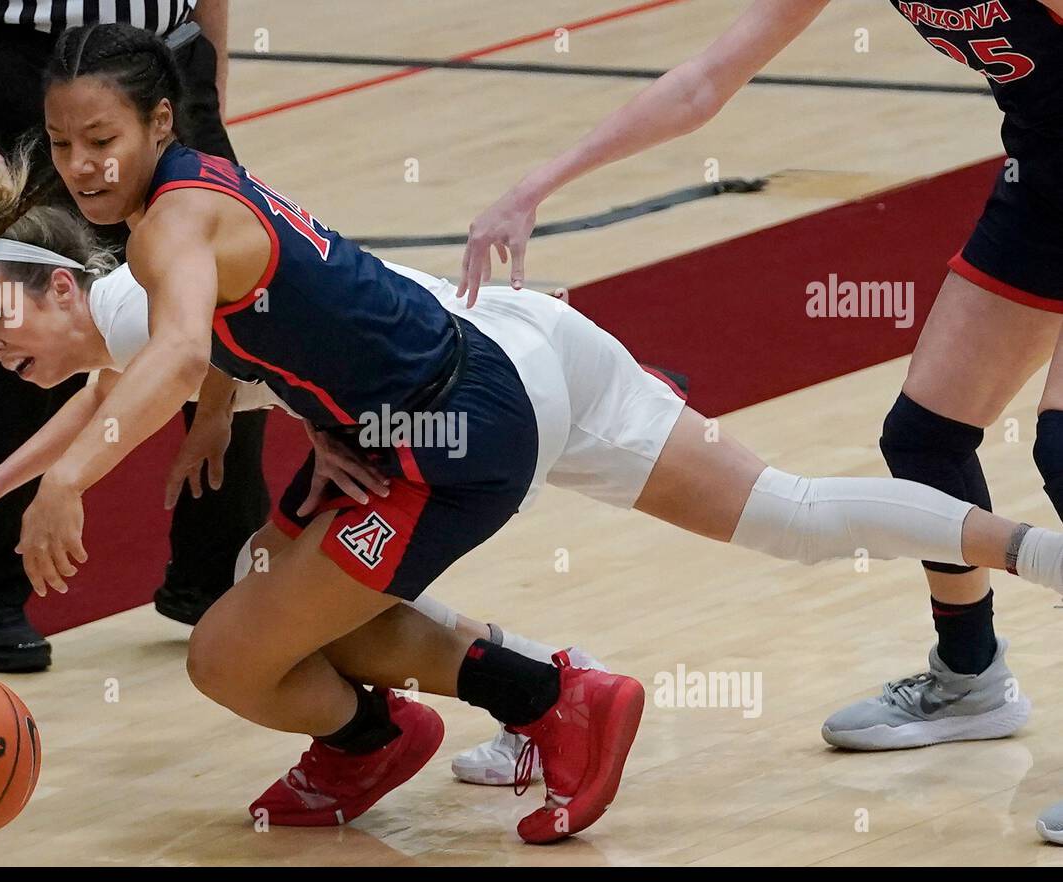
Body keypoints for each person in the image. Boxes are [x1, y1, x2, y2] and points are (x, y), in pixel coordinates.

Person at [0, 22, 1063, 843]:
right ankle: (1036, 548)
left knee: (232, 648)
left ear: (60, 285)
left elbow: (178, 354)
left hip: (458, 419)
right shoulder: (176, 211)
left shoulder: (145, 271)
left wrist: (63, 483)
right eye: (66, 146)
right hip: (525, 342)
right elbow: (227, 357)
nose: (1, 358)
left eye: (0, 332)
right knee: (793, 513)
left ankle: (534, 702)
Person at [454, 0, 1063, 795]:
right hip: (1045, 181)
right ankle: (970, 675)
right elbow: (704, 84)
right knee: (926, 438)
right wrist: (538, 184)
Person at [0, 0, 267, 673]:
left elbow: (181, 358)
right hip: (34, 66)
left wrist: (205, 74)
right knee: (16, 325)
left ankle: (216, 576)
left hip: (162, 57)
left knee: (227, 318)